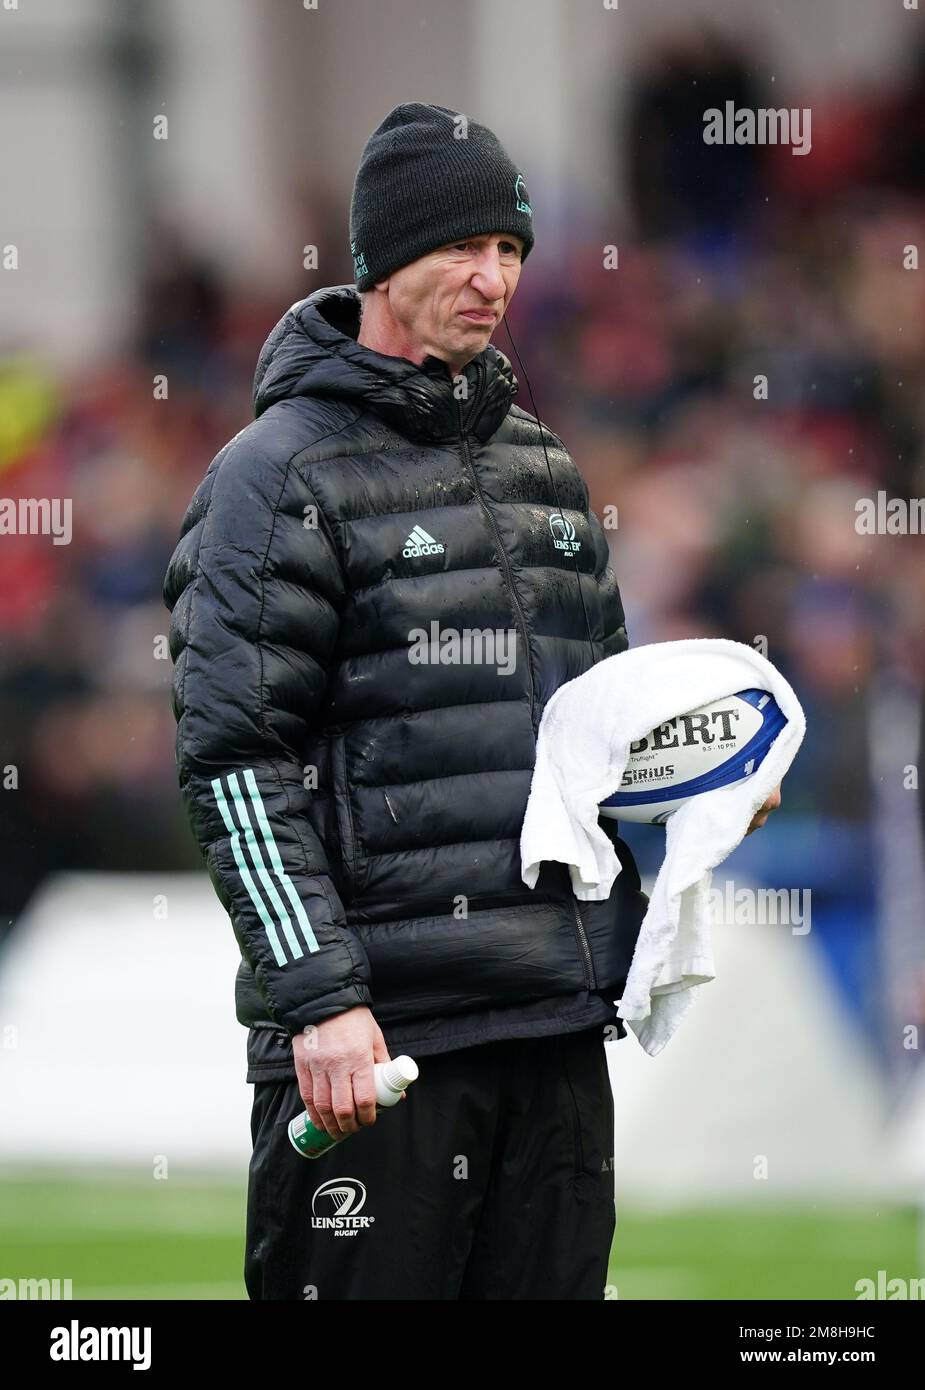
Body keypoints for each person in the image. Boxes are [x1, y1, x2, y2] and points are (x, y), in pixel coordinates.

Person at [163, 101, 779, 1300]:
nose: (492, 276)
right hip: (381, 1047)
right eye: (461, 247)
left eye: (509, 249)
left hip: (549, 1026)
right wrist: (323, 999)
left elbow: (595, 740)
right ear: (383, 262)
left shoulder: (545, 464)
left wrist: (696, 791)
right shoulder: (271, 476)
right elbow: (237, 759)